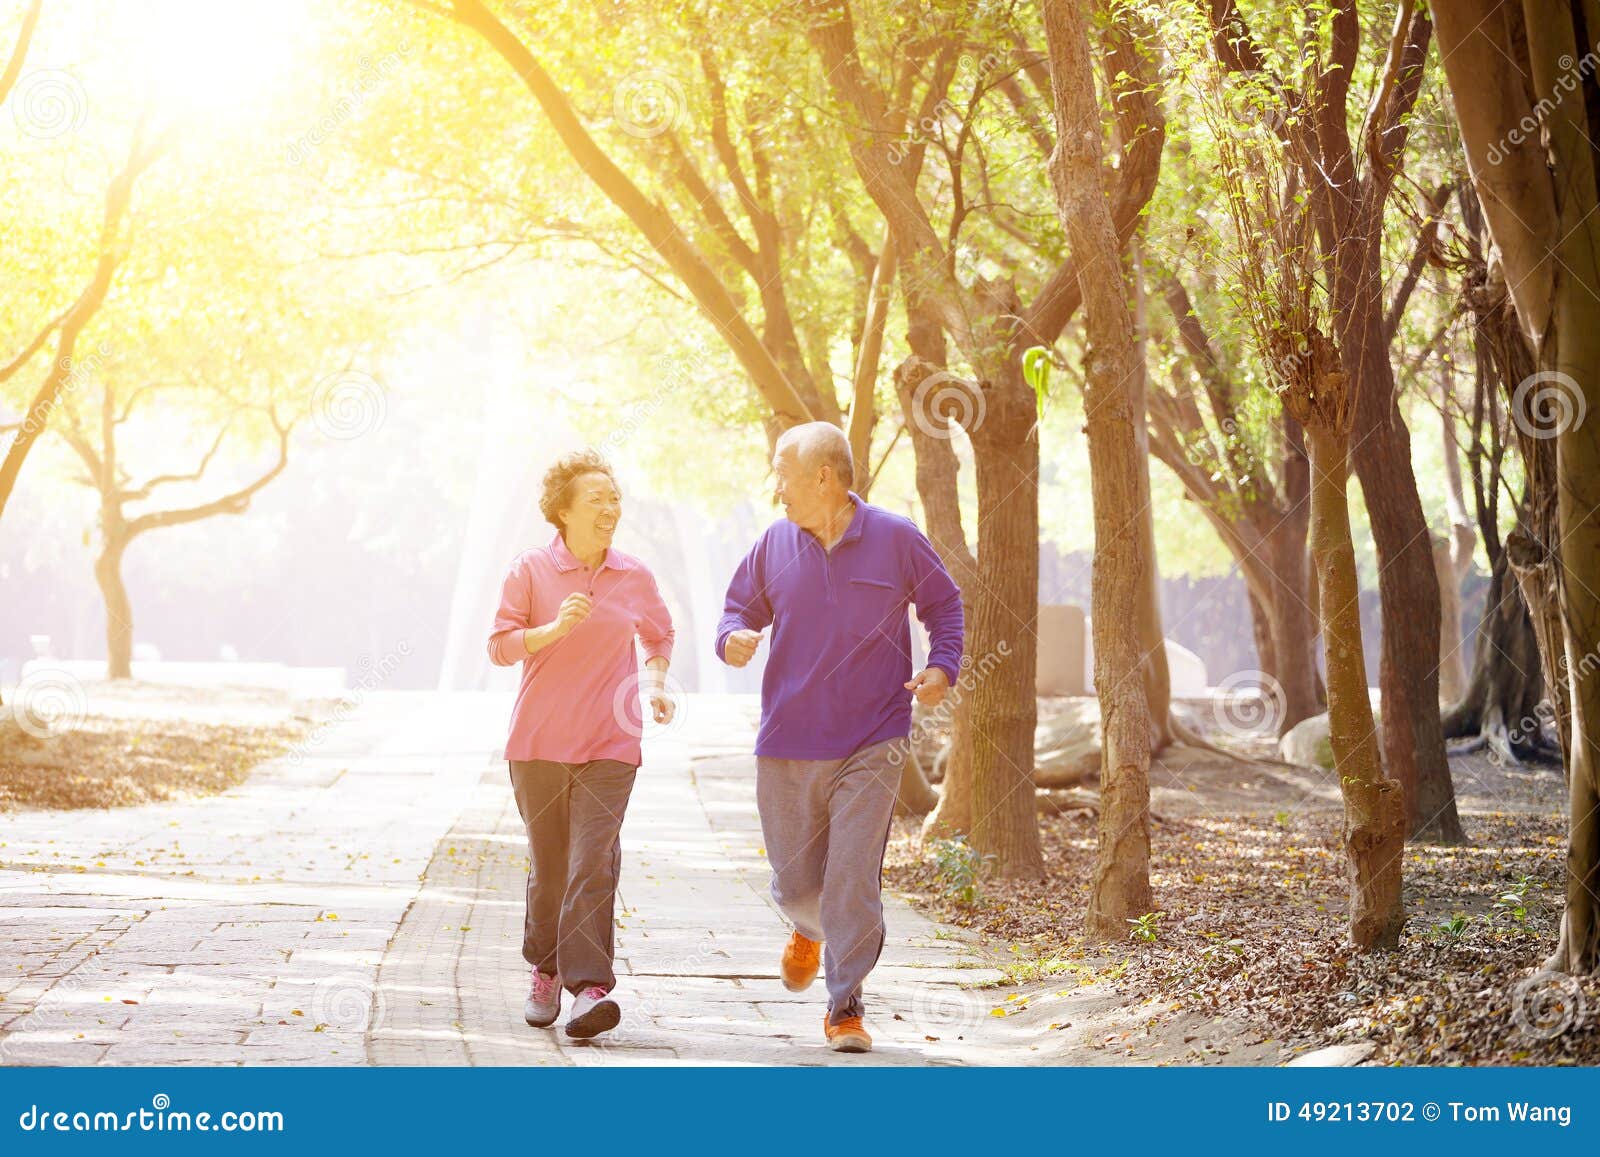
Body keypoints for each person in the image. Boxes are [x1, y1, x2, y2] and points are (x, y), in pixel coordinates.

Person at [716, 422, 963, 1053]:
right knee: (797, 882)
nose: (777, 489)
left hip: (872, 737)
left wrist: (942, 667)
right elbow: (738, 609)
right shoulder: (774, 543)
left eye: (783, 473)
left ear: (822, 476)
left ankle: (845, 1004)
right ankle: (808, 925)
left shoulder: (896, 538)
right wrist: (733, 638)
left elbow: (944, 605)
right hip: (787, 739)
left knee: (852, 876)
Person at [487, 448, 675, 1039]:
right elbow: (500, 645)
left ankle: (589, 989)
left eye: (614, 498)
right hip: (539, 743)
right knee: (551, 870)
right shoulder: (530, 570)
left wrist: (656, 682)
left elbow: (660, 633)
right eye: (595, 499)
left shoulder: (633, 575)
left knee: (593, 862)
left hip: (611, 743)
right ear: (562, 511)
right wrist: (553, 629)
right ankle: (544, 968)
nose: (609, 508)